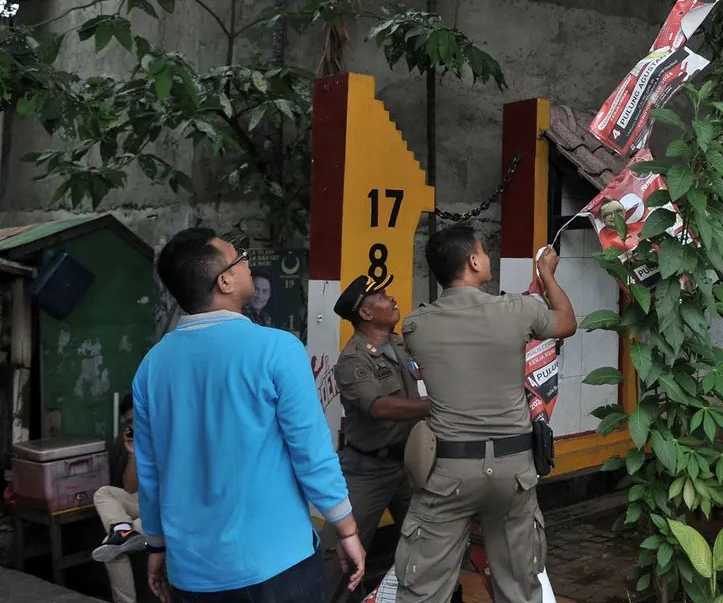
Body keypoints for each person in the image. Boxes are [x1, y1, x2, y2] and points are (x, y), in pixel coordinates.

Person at [132, 228, 366, 603]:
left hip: (191, 573)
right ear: (224, 281)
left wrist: (156, 547)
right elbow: (312, 453)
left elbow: (150, 472)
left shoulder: (151, 366)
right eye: (239, 258)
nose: (246, 263)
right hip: (277, 567)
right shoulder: (277, 349)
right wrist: (347, 530)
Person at [397, 225, 578, 603]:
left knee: (423, 589)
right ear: (473, 260)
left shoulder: (415, 326)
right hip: (514, 472)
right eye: (483, 250)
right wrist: (546, 275)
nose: (488, 256)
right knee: (519, 586)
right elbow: (566, 322)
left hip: (448, 472)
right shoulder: (517, 310)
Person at [320, 274, 435, 603]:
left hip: (410, 464)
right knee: (339, 552)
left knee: (429, 541)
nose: (392, 299)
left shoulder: (399, 344)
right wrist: (435, 407)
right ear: (366, 313)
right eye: (382, 297)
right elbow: (380, 407)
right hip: (368, 468)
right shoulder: (353, 360)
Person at [90, 394, 143, 603]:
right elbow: (130, 488)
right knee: (104, 492)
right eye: (129, 422)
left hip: (170, 510)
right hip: (146, 502)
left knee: (110, 550)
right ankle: (122, 529)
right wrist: (132, 454)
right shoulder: (136, 441)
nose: (134, 425)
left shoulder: (170, 435)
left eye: (137, 418)